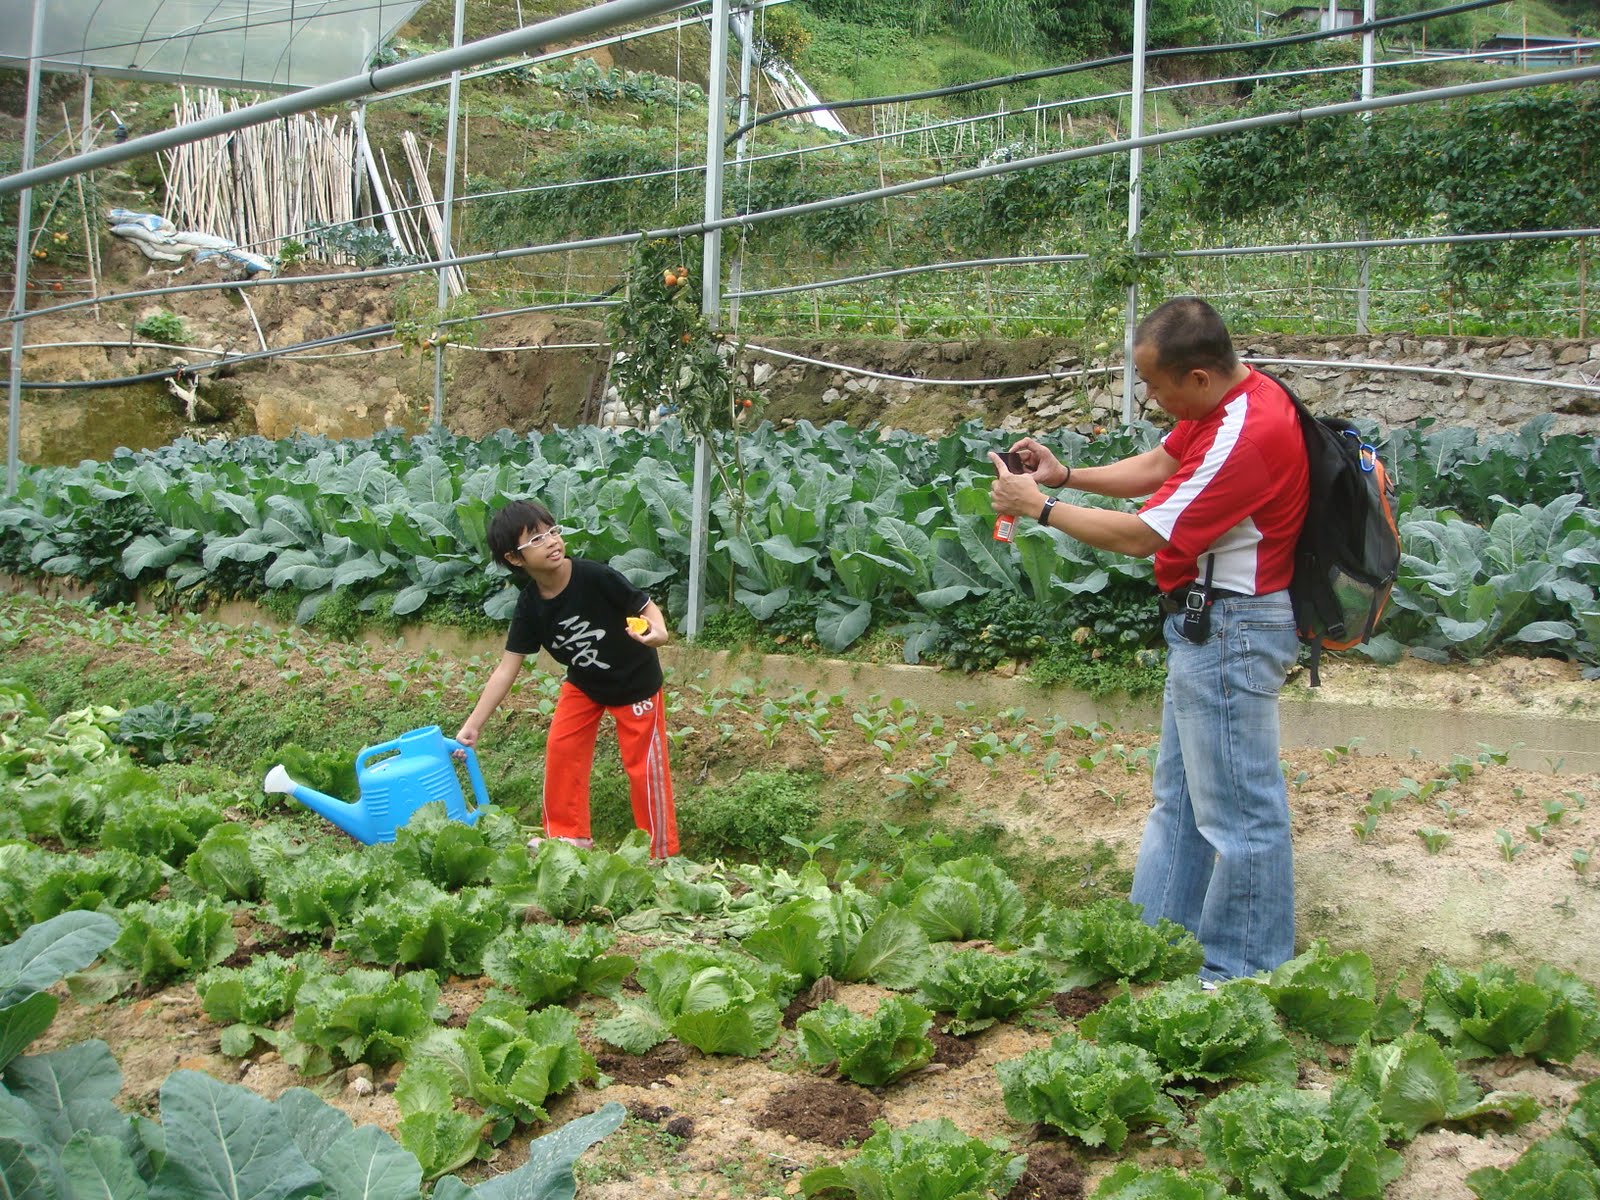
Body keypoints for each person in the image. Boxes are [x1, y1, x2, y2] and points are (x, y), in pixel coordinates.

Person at [989, 297, 1308, 980]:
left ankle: (1241, 974)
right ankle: (1153, 948)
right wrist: (1063, 477)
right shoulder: (1231, 400)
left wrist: (1040, 508)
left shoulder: (1247, 436)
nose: (1151, 400)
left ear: (1198, 377)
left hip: (1232, 629)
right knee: (1183, 802)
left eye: (1156, 386)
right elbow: (1161, 465)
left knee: (1241, 816)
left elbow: (1143, 535)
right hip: (1206, 625)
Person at [455, 499, 679, 859]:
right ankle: (567, 836)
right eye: (536, 539)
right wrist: (473, 725)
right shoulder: (530, 606)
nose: (552, 542)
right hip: (585, 684)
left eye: (553, 531)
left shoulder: (595, 576)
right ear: (514, 558)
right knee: (562, 749)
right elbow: (507, 669)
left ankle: (659, 852)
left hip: (636, 683)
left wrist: (660, 632)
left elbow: (644, 605)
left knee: (643, 768)